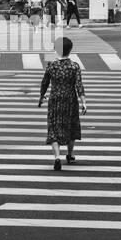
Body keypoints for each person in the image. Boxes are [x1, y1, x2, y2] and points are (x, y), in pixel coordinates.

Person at [39, 36, 87, 171]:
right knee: (71, 126)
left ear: (56, 49)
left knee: (54, 126)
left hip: (55, 99)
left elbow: (44, 83)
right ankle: (70, 155)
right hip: (70, 99)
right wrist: (84, 102)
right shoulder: (74, 66)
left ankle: (57, 157)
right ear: (70, 50)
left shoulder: (51, 65)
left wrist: (41, 96)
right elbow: (79, 85)